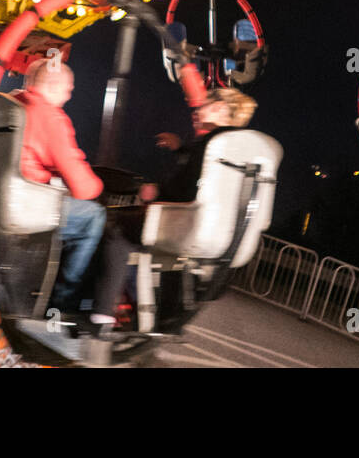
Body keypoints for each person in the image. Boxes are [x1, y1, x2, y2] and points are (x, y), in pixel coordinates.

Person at [90, 88, 256, 335]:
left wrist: (155, 192)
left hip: (183, 224)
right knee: (152, 248)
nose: (198, 110)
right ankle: (152, 314)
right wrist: (180, 149)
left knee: (117, 230)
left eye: (205, 105)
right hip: (218, 235)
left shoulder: (212, 144)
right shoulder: (238, 149)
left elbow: (185, 188)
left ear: (221, 108)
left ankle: (100, 312)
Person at [13, 59, 104, 314]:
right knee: (93, 217)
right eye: (68, 89)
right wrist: (97, 186)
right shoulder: (51, 118)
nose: (69, 95)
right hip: (24, 205)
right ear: (54, 86)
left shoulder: (12, 103)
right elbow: (85, 188)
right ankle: (62, 305)